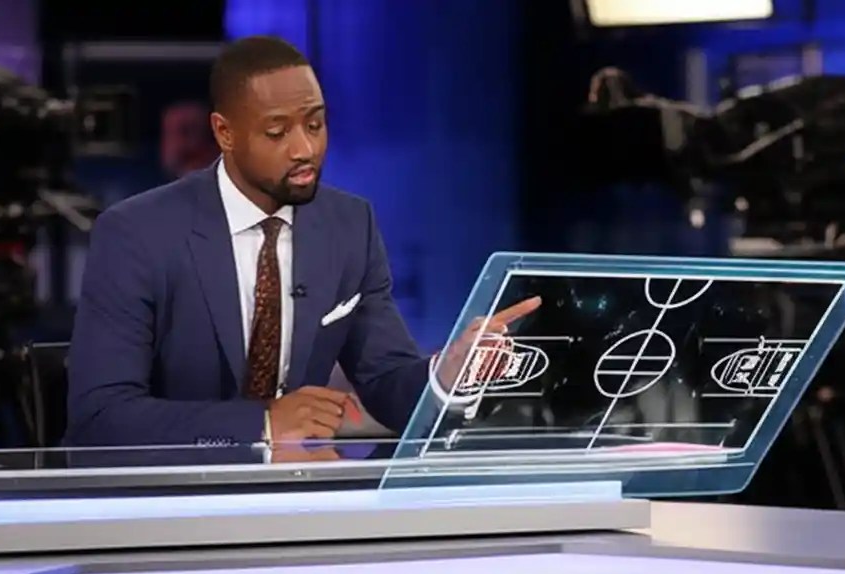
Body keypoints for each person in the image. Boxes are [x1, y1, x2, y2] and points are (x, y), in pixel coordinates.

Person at [66, 35, 538, 449]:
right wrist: (263, 423)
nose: (305, 149)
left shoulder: (349, 225)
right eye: (277, 132)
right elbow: (101, 418)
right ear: (224, 133)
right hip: (158, 508)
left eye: (314, 125)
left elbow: (385, 381)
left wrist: (446, 373)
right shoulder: (137, 233)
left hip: (293, 501)